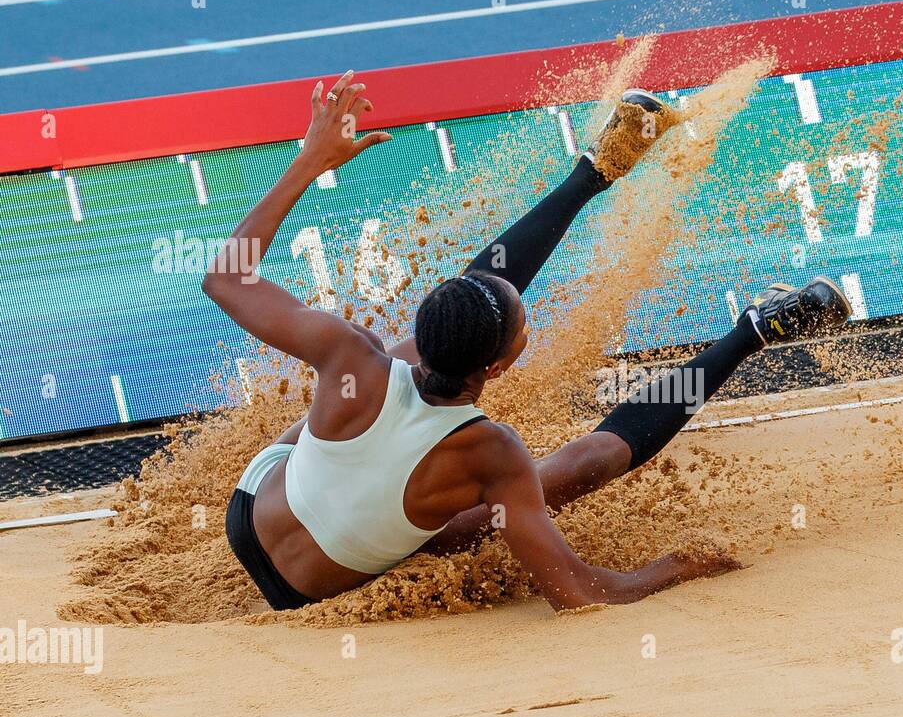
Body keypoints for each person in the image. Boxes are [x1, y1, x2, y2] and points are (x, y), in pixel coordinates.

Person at [206, 70, 851, 613]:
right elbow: (577, 592)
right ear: (503, 363)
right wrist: (674, 570)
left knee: (383, 366)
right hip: (312, 595)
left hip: (253, 510)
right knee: (573, 468)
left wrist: (312, 159)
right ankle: (753, 333)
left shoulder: (348, 355)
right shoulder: (492, 454)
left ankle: (595, 172)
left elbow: (224, 274)